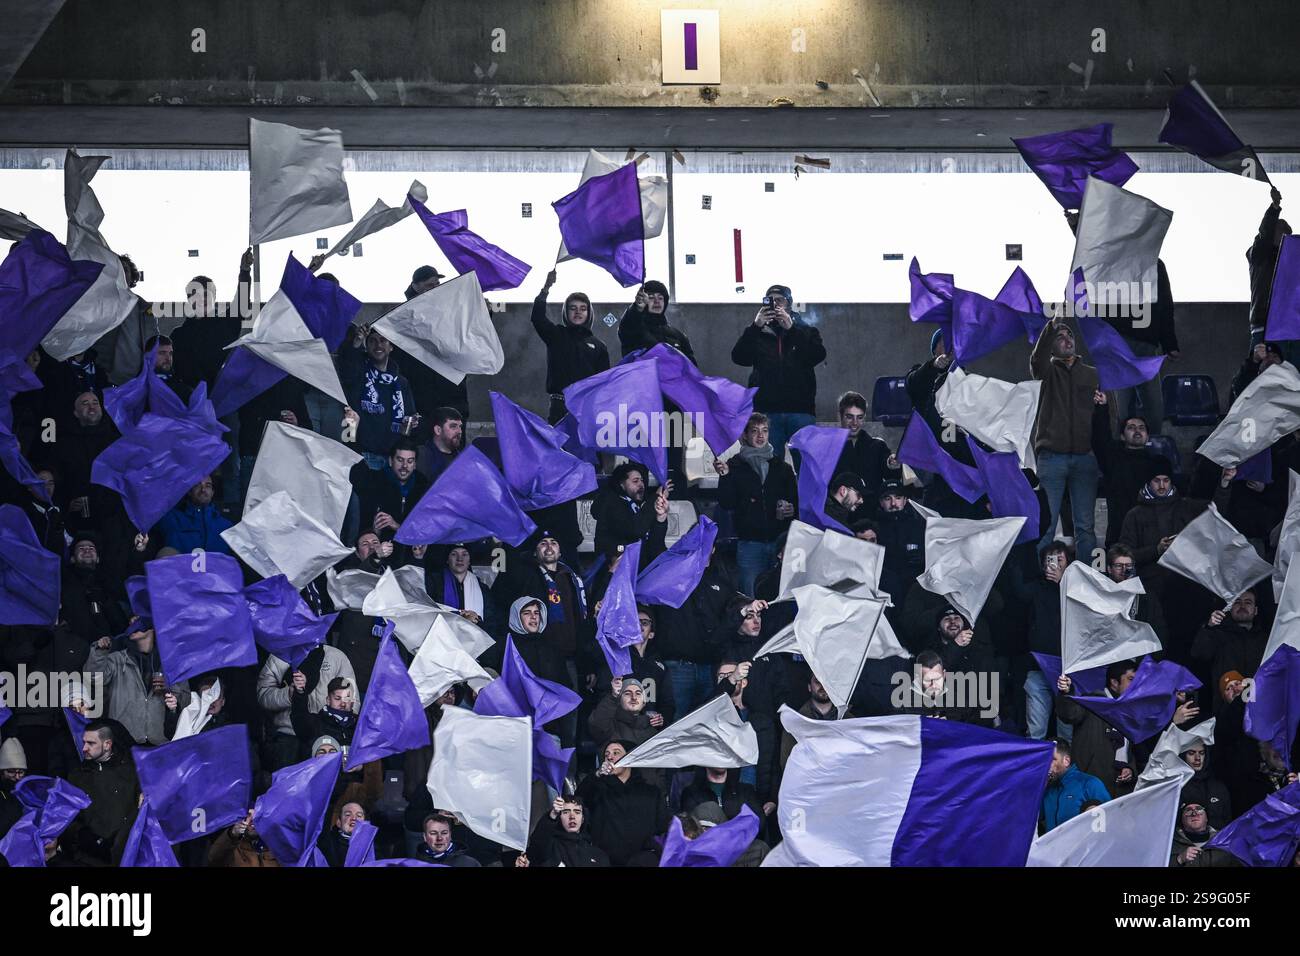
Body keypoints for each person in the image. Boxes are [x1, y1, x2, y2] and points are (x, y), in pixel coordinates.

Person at [1030, 317, 1102, 565]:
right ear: (1052, 345)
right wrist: (1052, 325)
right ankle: (1041, 579)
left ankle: (1086, 581)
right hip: (1051, 457)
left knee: (1085, 527)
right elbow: (1036, 359)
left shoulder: (1093, 374)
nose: (1067, 339)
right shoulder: (1046, 371)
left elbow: (1106, 415)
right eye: (1060, 337)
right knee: (1046, 525)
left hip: (1085, 458)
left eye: (1070, 335)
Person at [730, 283, 826, 458]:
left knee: (807, 465)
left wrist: (792, 329)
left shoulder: (806, 330)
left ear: (789, 303)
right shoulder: (758, 333)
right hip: (767, 411)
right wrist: (755, 326)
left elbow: (817, 355)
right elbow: (738, 357)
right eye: (770, 301)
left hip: (800, 410)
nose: (775, 305)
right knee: (769, 465)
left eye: (780, 301)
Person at [714, 412, 797, 595]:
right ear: (745, 435)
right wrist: (725, 477)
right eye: (755, 431)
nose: (760, 436)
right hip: (750, 544)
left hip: (779, 544)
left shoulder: (782, 468)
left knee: (780, 598)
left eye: (765, 431)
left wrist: (790, 510)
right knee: (750, 598)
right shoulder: (733, 466)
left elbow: (795, 505)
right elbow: (727, 503)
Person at [257, 644, 360, 771]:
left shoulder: (336, 656)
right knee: (287, 785)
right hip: (289, 734)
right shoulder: (280, 655)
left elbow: (352, 700)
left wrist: (343, 733)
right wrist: (289, 694)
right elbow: (262, 696)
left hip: (329, 737)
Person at [86, 624, 189, 746]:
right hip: (124, 740)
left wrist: (172, 697)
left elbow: (185, 699)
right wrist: (99, 652)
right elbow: (93, 678)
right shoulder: (119, 660)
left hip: (160, 741)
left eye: (138, 621)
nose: (133, 625)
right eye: (130, 622)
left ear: (151, 627)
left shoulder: (169, 662)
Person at [575, 740, 670, 867]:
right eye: (607, 754)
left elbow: (663, 827)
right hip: (607, 861)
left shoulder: (651, 792)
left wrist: (652, 853)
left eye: (616, 753)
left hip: (642, 862)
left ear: (630, 757)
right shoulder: (597, 789)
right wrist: (597, 775)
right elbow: (578, 800)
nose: (610, 757)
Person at [531, 269, 610, 423]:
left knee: (584, 447)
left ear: (589, 313)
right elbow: (537, 318)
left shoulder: (599, 346)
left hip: (586, 408)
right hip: (560, 406)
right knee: (560, 447)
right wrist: (546, 288)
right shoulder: (556, 335)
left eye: (583, 309)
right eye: (572, 308)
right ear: (566, 312)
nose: (578, 312)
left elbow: (603, 384)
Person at [339, 325, 418, 468]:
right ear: (366, 347)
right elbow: (347, 366)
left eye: (383, 340)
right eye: (372, 341)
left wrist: (411, 422)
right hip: (363, 456)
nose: (378, 345)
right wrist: (357, 342)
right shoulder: (359, 374)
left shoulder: (401, 382)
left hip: (394, 459)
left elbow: (411, 415)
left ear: (391, 347)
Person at [66, 721, 140, 865]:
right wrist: (84, 837)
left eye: (91, 743)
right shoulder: (76, 776)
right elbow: (67, 816)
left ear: (107, 744)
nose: (84, 748)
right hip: (90, 857)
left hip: (128, 853)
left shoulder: (132, 772)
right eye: (84, 742)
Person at [590, 606, 676, 725]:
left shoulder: (659, 667)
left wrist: (662, 719)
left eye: (644, 623)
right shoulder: (615, 658)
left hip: (649, 732)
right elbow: (603, 699)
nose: (638, 626)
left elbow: (667, 704)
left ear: (651, 634)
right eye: (634, 622)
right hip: (619, 729)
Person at [1190, 591, 1268, 711]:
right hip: (1226, 711)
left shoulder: (1266, 639)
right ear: (1230, 609)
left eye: (1248, 602)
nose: (1242, 606)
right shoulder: (1218, 634)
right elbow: (1199, 654)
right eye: (1237, 602)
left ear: (1256, 610)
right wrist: (1209, 628)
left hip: (1259, 708)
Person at [348, 438, 431, 549]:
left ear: (415, 464)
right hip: (378, 552)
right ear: (391, 461)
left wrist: (395, 525)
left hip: (411, 555)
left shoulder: (424, 487)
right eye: (400, 460)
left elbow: (425, 530)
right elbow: (351, 464)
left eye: (410, 461)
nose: (405, 466)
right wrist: (375, 530)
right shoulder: (374, 481)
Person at [1092, 413, 1157, 546]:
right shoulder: (1112, 461)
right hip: (1118, 535)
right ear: (1122, 436)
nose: (1137, 431)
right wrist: (1102, 408)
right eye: (1131, 428)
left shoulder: (1158, 465)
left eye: (1141, 428)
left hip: (1150, 536)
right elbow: (1101, 437)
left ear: (1148, 436)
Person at [59, 531, 128, 646]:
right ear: (72, 559)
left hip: (106, 651)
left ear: (98, 559)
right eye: (81, 548)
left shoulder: (108, 585)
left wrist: (105, 601)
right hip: (74, 649)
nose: (87, 550)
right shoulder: (65, 582)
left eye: (91, 548)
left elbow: (121, 627)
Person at [592, 462, 669, 564]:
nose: (641, 484)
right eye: (635, 481)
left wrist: (661, 518)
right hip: (615, 569)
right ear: (622, 484)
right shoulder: (611, 503)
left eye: (642, 481)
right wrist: (654, 499)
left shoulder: (640, 504)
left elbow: (655, 542)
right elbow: (636, 530)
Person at [834, 391, 897, 504]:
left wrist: (893, 464)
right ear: (840, 416)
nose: (855, 423)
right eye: (849, 417)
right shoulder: (829, 448)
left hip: (871, 511)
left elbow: (892, 477)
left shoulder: (878, 446)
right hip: (837, 512)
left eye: (859, 417)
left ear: (864, 418)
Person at [1247, 186, 1288, 346]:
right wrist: (1274, 208)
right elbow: (1265, 234)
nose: (1285, 235)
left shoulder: (1289, 259)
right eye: (1281, 230)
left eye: (1287, 232)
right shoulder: (1259, 255)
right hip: (1263, 323)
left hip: (1288, 325)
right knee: (1261, 368)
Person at [1041, 739, 1111, 832]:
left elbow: (1109, 821)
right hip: (1052, 846)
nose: (1047, 764)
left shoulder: (1090, 783)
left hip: (1083, 846)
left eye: (1052, 759)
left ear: (1066, 761)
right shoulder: (1046, 788)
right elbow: (1031, 818)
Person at [875, 481, 926, 607]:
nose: (893, 503)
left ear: (905, 500)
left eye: (898, 498)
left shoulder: (920, 527)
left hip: (915, 592)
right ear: (881, 502)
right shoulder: (874, 529)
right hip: (884, 592)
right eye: (888, 498)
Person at [522, 796, 610, 867]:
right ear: (559, 817)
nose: (572, 816)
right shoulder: (549, 849)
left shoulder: (599, 855)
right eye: (566, 812)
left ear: (583, 819)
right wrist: (552, 815)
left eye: (577, 812)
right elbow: (537, 845)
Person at [154, 475, 233, 555]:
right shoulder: (169, 519)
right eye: (197, 485)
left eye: (208, 485)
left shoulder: (226, 526)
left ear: (212, 492)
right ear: (189, 491)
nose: (203, 489)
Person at [1178, 741, 1232, 830]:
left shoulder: (1218, 787)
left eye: (1202, 753)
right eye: (1191, 753)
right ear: (1183, 756)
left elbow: (1227, 821)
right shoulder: (1177, 787)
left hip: (1217, 841)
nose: (1197, 758)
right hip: (1184, 842)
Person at [1170, 802, 1239, 867]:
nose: (1194, 814)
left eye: (1199, 809)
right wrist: (1179, 859)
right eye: (1188, 811)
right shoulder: (1170, 843)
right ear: (1182, 820)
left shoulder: (1224, 840)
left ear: (1206, 818)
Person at [415, 813, 481, 867]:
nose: (439, 838)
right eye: (433, 833)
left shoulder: (470, 864)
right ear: (425, 837)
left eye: (444, 833)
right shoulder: (413, 864)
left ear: (450, 835)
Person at [316, 801, 367, 868]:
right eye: (348, 814)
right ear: (339, 823)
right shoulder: (328, 843)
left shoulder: (371, 849)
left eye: (359, 815)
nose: (354, 818)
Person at [420, 406, 464, 482]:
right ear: (438, 430)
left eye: (460, 427)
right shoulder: (420, 456)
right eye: (453, 426)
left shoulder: (462, 459)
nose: (459, 431)